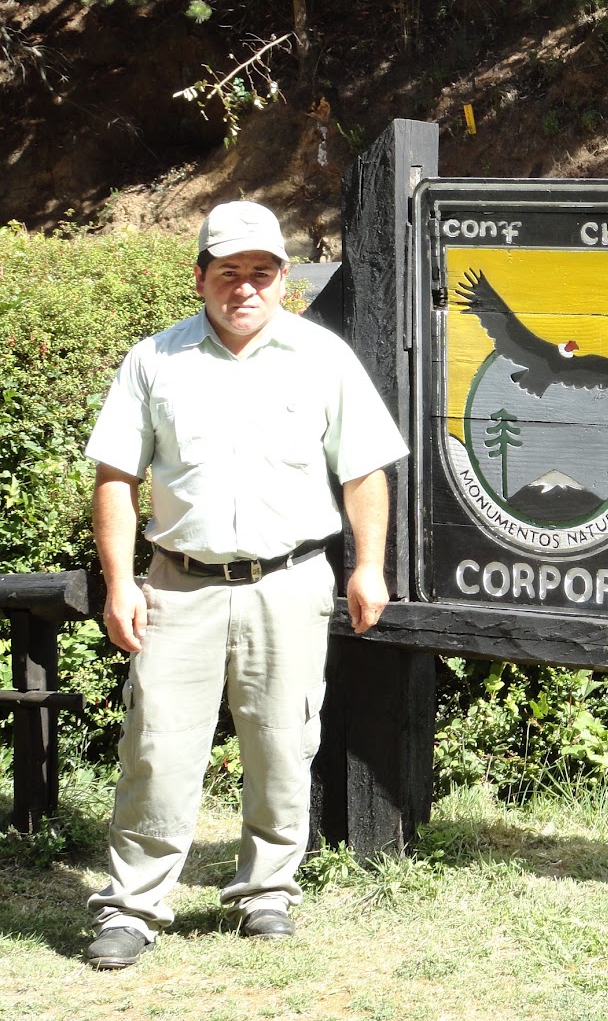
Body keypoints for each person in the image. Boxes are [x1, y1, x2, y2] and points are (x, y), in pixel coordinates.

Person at [82, 200, 408, 970]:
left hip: (290, 582)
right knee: (156, 745)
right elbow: (115, 478)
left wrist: (367, 565)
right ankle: (133, 904)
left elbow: (363, 469)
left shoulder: (322, 359)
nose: (245, 287)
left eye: (261, 272)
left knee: (283, 743)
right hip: (178, 586)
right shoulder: (153, 361)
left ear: (284, 280)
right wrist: (120, 583)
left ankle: (267, 894)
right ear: (199, 278)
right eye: (228, 272)